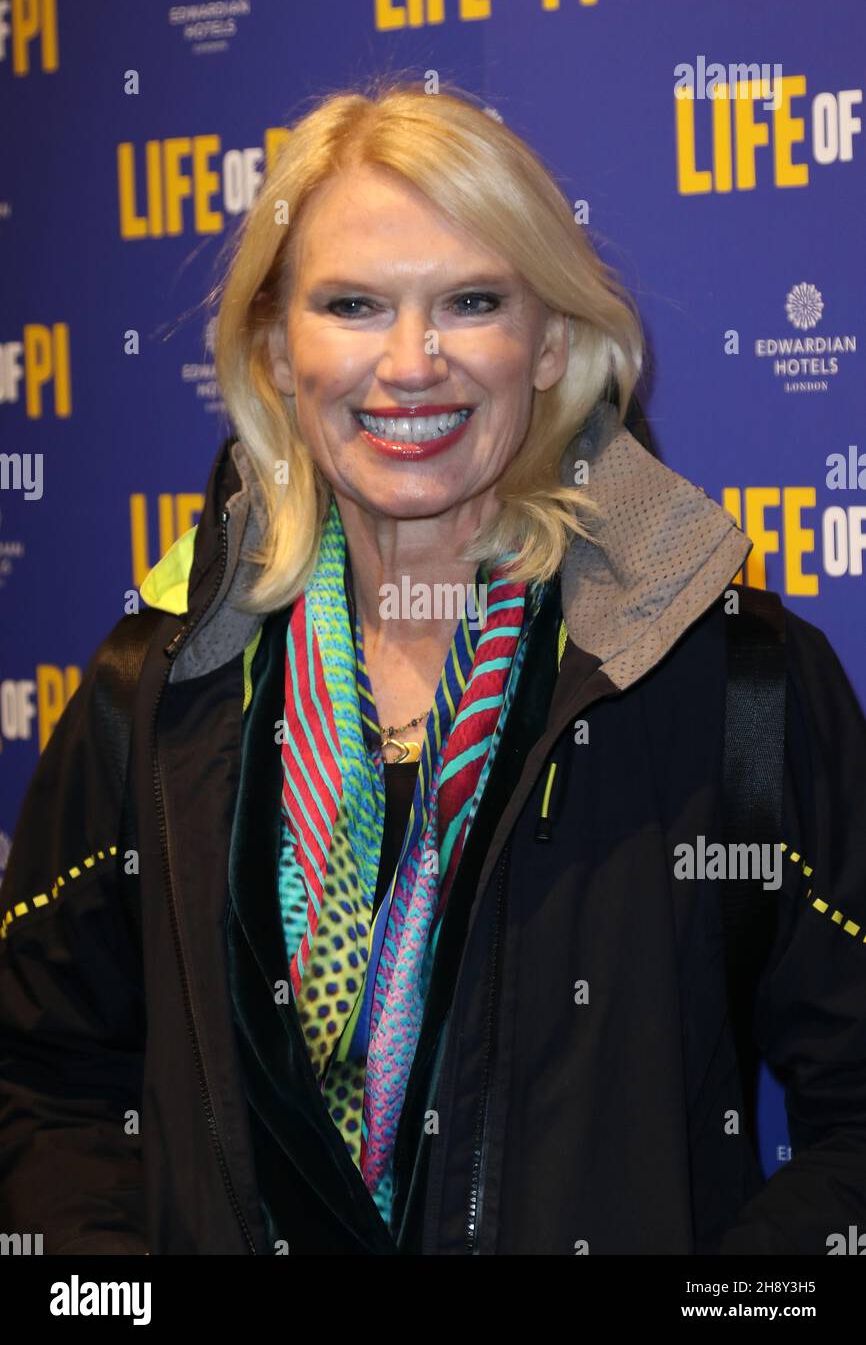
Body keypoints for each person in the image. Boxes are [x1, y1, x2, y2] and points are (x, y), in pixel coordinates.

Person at [1, 78, 865, 1257]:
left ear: (551, 343)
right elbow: (39, 1074)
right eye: (352, 304)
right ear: (271, 349)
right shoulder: (151, 687)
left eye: (469, 301)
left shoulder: (731, 678)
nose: (411, 364)